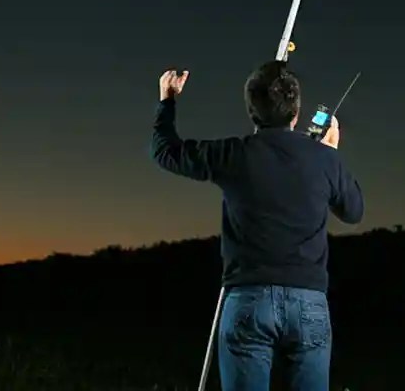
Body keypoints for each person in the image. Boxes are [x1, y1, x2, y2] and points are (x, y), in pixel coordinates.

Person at [151, 60, 365, 391]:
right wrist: (331, 154)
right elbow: (353, 211)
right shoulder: (323, 158)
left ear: (253, 112)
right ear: (296, 111)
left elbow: (166, 152)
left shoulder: (234, 153)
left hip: (248, 301)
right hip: (309, 303)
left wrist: (167, 100)